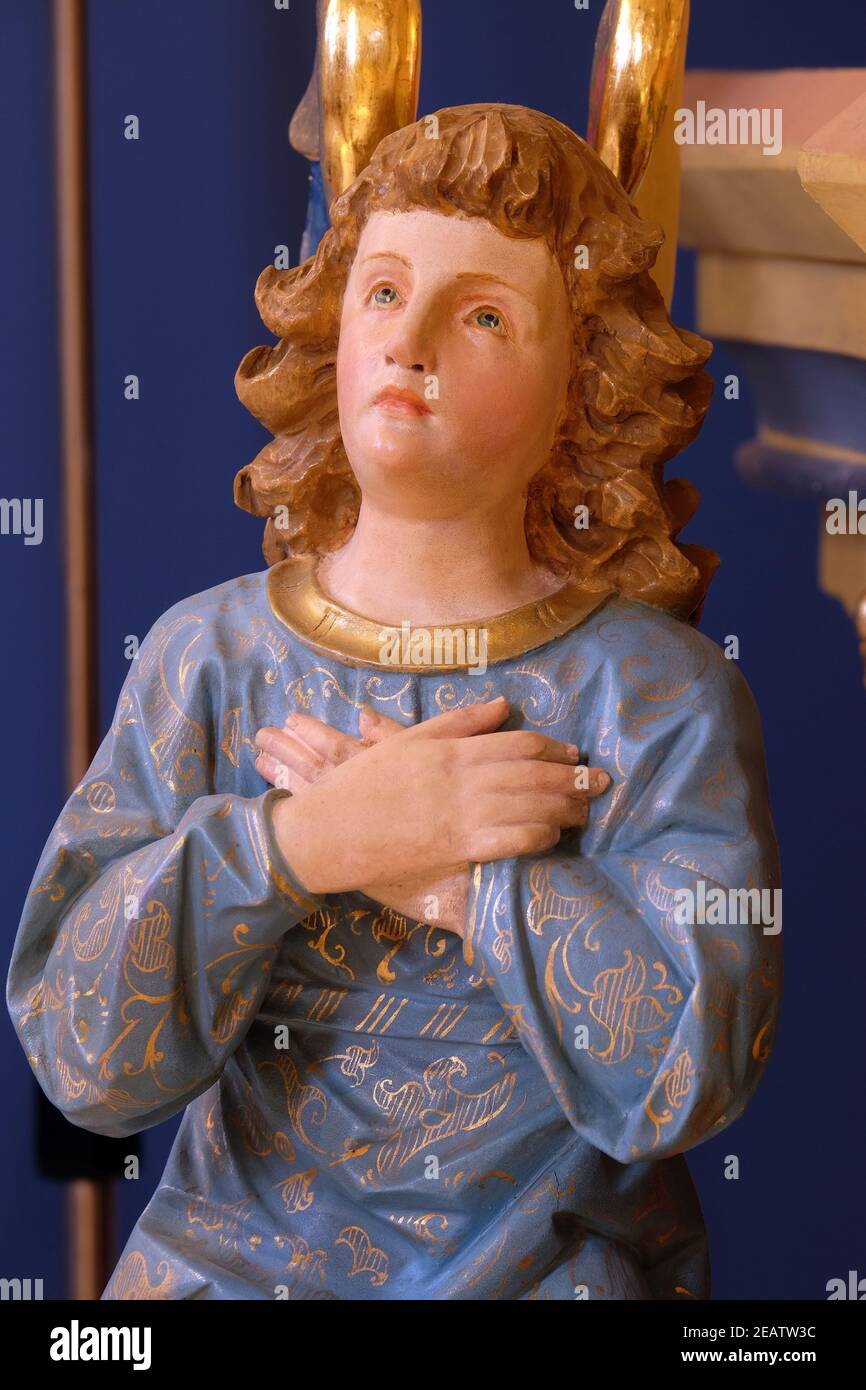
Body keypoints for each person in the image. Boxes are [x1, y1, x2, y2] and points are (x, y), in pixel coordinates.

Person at [7, 104, 781, 1300]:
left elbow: (687, 1071)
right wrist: (301, 843)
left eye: (481, 316)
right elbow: (80, 1049)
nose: (409, 340)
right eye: (379, 292)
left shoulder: (654, 694)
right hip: (232, 1270)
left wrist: (460, 877)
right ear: (330, 329)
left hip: (543, 1271)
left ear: (584, 377)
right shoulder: (208, 656)